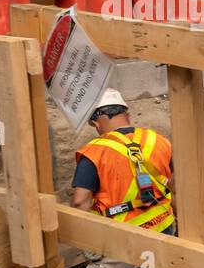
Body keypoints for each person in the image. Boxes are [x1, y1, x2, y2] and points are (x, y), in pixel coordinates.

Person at [71, 89, 176, 235]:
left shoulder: (94, 151)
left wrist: (85, 239)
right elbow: (175, 186)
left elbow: (80, 202)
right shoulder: (158, 140)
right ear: (127, 115)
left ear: (96, 123)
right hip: (163, 225)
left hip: (121, 236)